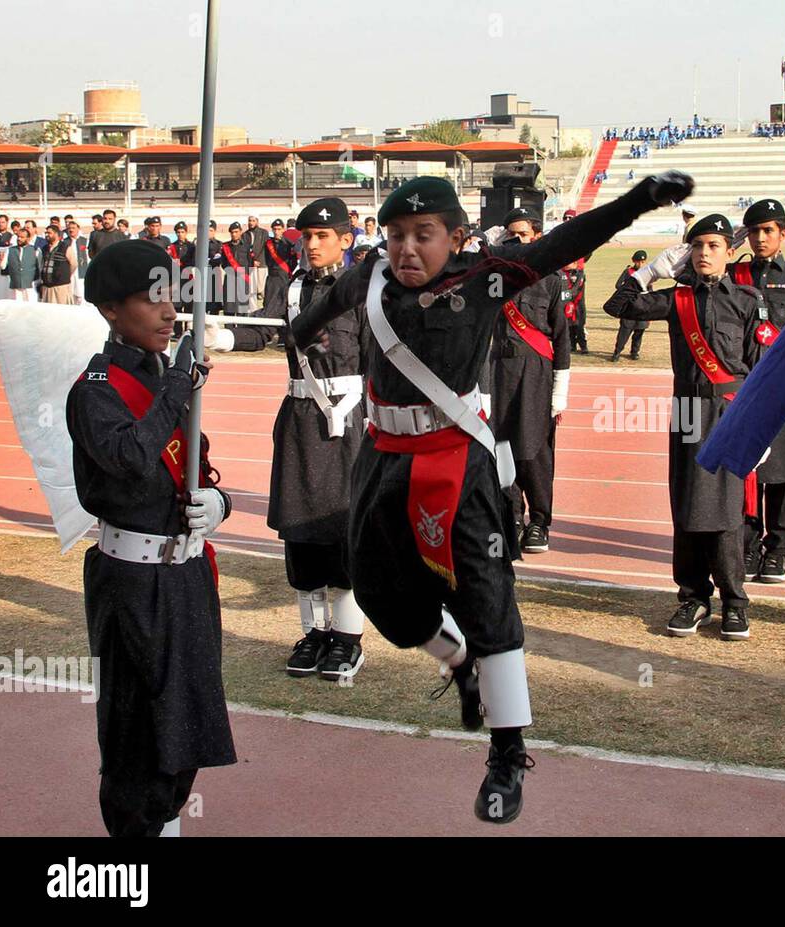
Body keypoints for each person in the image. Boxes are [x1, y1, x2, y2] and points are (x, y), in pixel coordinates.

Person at [290, 172, 694, 823]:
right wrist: (298, 330)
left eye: (424, 235)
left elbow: (566, 242)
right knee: (377, 593)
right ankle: (460, 663)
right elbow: (327, 304)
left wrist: (640, 200)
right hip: (382, 460)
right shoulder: (368, 276)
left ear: (456, 237)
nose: (407, 249)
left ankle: (507, 754)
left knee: (487, 599)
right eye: (396, 236)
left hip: (458, 461)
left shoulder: (486, 278)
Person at [68, 239, 236, 835]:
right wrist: (176, 390)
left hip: (185, 573)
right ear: (112, 310)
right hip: (133, 583)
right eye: (151, 300)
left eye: (172, 298)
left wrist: (218, 502)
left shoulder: (166, 378)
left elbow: (193, 468)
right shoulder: (97, 388)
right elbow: (131, 459)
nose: (170, 313)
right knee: (138, 741)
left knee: (182, 737)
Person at [211, 198, 368, 681]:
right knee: (300, 531)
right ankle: (313, 634)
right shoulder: (291, 287)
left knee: (343, 531)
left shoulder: (363, 291)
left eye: (322, 236)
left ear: (346, 240)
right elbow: (264, 329)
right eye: (306, 236)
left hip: (348, 424)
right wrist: (225, 338)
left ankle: (347, 640)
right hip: (300, 422)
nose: (312, 244)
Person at [604, 213, 763, 641]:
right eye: (697, 247)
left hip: (731, 414)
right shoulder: (678, 299)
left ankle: (734, 601)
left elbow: (761, 370)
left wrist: (759, 429)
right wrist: (652, 271)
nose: (704, 253)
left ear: (730, 252)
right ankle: (693, 598)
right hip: (689, 412)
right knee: (690, 502)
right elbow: (616, 305)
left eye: (713, 246)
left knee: (728, 507)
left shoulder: (748, 301)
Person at [727, 198, 785, 584]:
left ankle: (778, 548)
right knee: (746, 471)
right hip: (743, 390)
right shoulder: (732, 274)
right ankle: (747, 543)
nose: (760, 239)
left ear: (782, 234)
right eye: (753, 232)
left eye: (768, 231)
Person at [484, 207, 571, 555]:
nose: (516, 239)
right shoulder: (493, 278)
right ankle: (511, 515)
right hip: (496, 370)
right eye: (510, 234)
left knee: (534, 449)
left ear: (537, 236)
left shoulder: (551, 278)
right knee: (500, 446)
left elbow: (562, 338)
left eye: (522, 234)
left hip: (536, 371)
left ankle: (539, 520)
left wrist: (560, 390)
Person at [610, 250, 650, 361]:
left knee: (639, 331)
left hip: (642, 307)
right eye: (638, 262)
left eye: (642, 262)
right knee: (625, 331)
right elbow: (618, 285)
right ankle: (617, 352)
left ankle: (634, 352)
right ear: (634, 261)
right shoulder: (628, 272)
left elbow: (650, 291)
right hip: (629, 307)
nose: (640, 264)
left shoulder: (648, 273)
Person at [213, 221, 252, 315]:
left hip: (243, 279)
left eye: (236, 232)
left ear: (240, 232)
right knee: (229, 308)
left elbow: (250, 262)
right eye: (232, 232)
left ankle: (241, 329)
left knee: (242, 309)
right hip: (230, 279)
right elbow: (224, 263)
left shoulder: (247, 246)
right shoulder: (225, 246)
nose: (234, 234)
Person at [262, 218, 298, 311]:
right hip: (272, 275)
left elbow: (293, 260)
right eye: (275, 229)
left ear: (283, 229)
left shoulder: (289, 244)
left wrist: (288, 270)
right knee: (269, 300)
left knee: (283, 300)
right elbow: (266, 258)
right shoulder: (268, 243)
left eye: (279, 229)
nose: (276, 232)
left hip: (283, 275)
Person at [39, 223, 77, 304]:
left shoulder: (66, 247)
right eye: (46, 233)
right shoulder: (44, 248)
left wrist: (64, 274)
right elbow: (42, 265)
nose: (47, 235)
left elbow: (74, 264)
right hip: (47, 287)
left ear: (56, 234)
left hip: (61, 287)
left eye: (49, 233)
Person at [0, 225, 40, 299]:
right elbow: (3, 266)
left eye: (22, 237)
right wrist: (1, 260)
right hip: (15, 285)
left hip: (30, 286)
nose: (19, 239)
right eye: (18, 237)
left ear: (28, 238)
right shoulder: (10, 250)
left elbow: (39, 267)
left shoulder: (35, 250)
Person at [562, 258, 588, 354]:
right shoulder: (563, 273)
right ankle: (572, 345)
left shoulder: (580, 274)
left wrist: (565, 294)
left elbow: (575, 290)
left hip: (578, 305)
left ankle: (583, 346)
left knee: (579, 326)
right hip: (567, 304)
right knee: (569, 326)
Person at [244, 216, 269, 307]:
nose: (251, 223)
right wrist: (252, 261)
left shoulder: (263, 233)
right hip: (250, 265)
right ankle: (253, 310)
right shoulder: (245, 235)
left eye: (253, 221)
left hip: (262, 263)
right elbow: (245, 250)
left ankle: (265, 308)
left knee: (261, 288)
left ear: (257, 222)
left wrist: (257, 260)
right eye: (249, 221)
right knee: (252, 289)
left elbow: (265, 247)